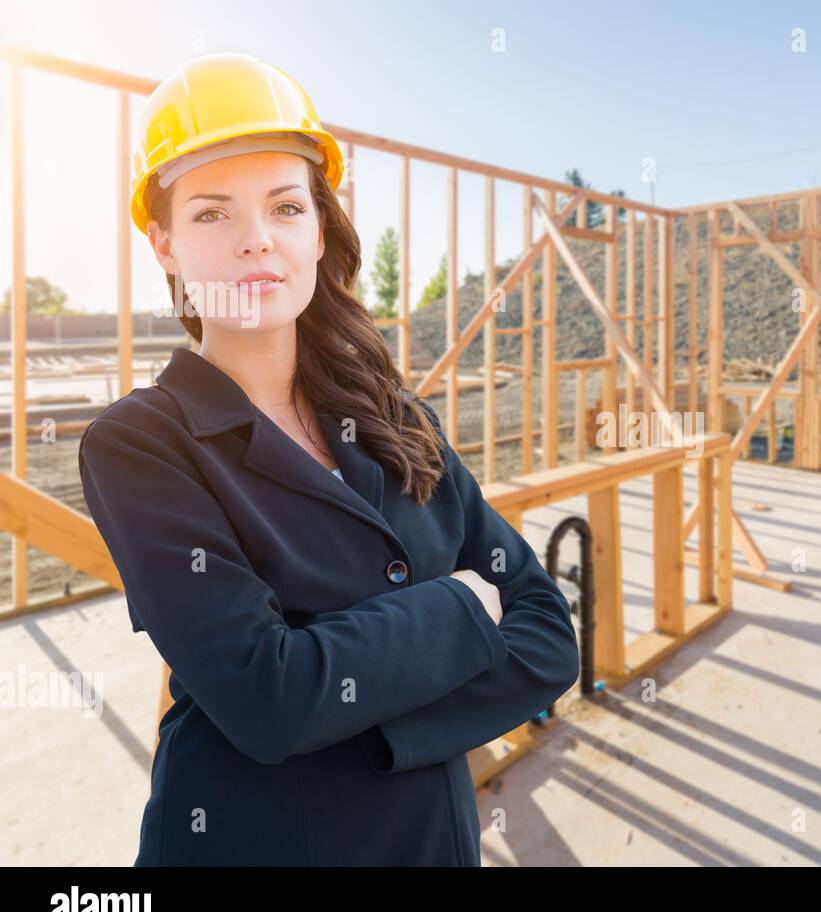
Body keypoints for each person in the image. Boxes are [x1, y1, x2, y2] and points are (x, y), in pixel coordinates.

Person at [77, 52, 580, 866]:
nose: (255, 242)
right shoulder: (143, 445)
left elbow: (550, 638)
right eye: (212, 214)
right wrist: (460, 608)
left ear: (318, 227)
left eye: (284, 206)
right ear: (163, 242)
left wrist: (343, 696)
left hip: (431, 844)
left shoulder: (396, 421)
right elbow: (268, 698)